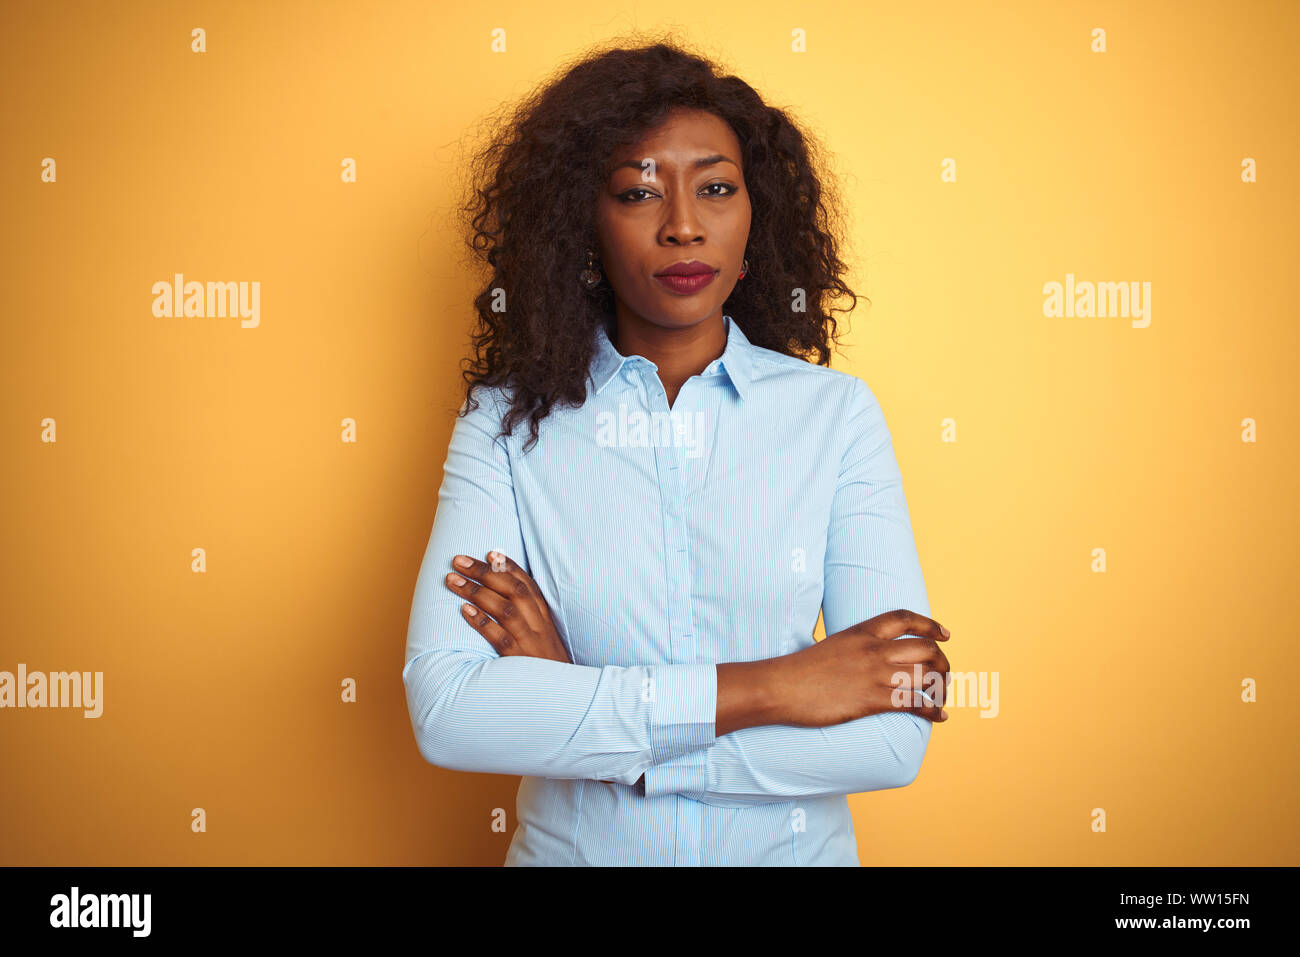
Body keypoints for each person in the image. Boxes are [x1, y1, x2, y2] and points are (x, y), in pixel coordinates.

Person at [403, 37, 952, 866]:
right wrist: (776, 687)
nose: (684, 225)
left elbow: (893, 734)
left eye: (717, 188)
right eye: (637, 193)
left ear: (754, 212)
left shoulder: (835, 417)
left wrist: (584, 716)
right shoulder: (506, 421)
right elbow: (450, 712)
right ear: (581, 220)